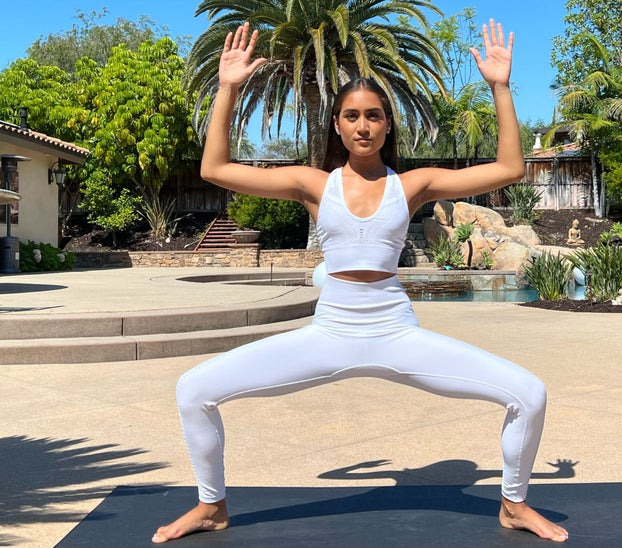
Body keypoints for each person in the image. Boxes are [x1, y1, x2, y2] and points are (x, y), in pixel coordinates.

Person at [152, 20, 568, 543]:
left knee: (528, 393)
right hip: (329, 334)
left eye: (374, 115)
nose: (363, 125)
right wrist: (228, 88)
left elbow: (510, 167)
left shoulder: (415, 184)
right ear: (338, 125)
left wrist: (500, 86)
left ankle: (513, 504)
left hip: (396, 331)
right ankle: (211, 506)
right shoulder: (312, 184)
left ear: (388, 125)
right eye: (352, 116)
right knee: (194, 390)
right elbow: (214, 167)